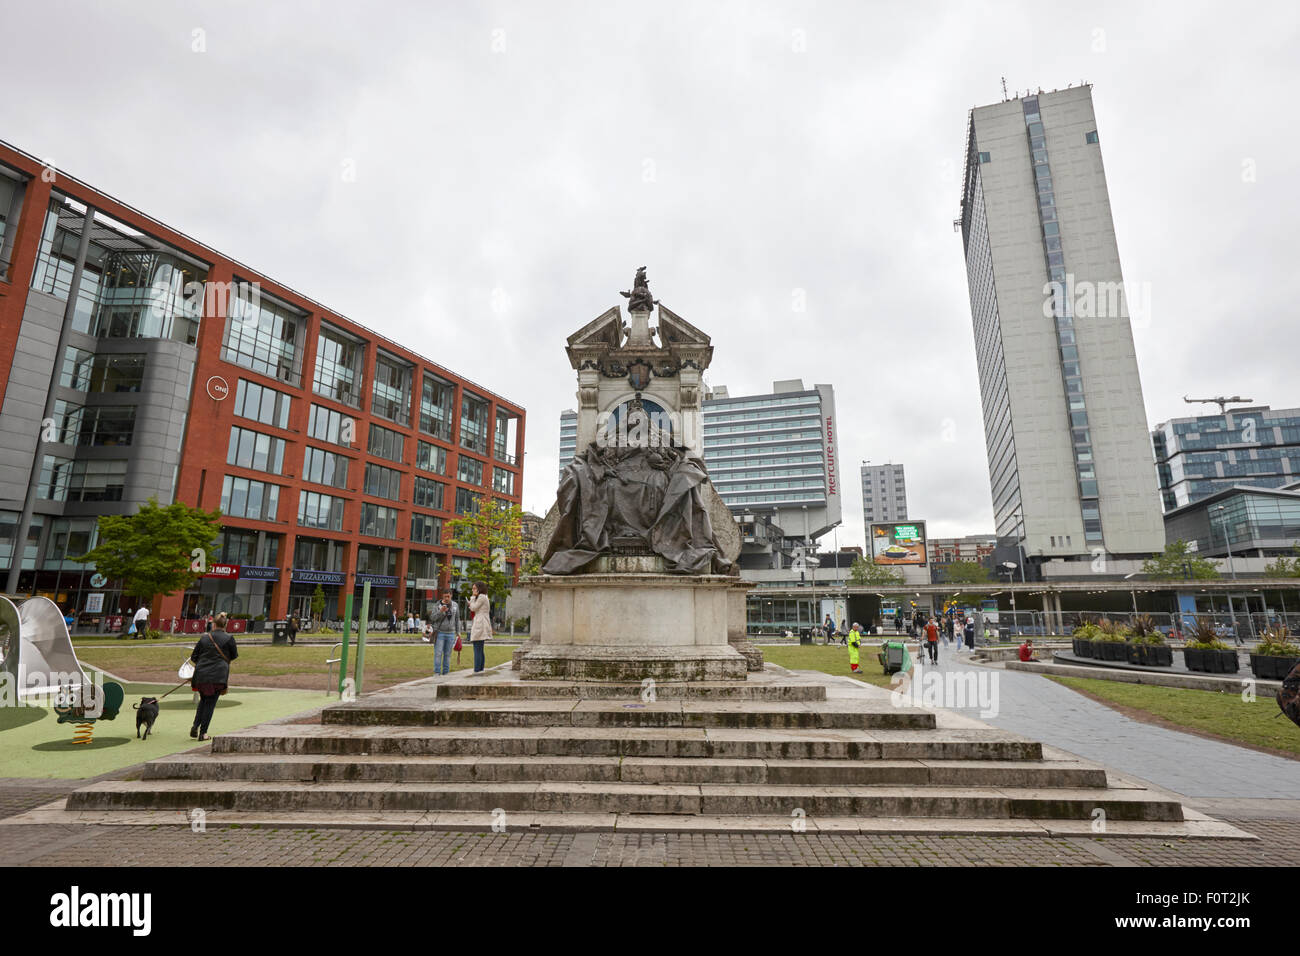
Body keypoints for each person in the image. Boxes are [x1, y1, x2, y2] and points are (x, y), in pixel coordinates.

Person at [189, 611, 238, 741]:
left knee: (203, 700)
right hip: (218, 676)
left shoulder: (204, 638)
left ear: (214, 624)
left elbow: (194, 657)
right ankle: (203, 733)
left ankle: (195, 725)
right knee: (210, 704)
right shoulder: (229, 638)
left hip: (201, 675)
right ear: (225, 625)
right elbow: (233, 656)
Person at [428, 591, 459, 675]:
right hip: (440, 632)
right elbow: (433, 617)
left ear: (451, 596)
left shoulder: (455, 605)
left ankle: (446, 672)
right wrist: (440, 611)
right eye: (445, 596)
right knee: (438, 653)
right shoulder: (437, 605)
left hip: (451, 633)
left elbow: (457, 619)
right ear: (442, 596)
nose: (447, 598)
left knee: (448, 654)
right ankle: (437, 672)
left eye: (448, 596)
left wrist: (458, 632)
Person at [468, 581, 492, 674]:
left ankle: (477, 669)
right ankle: (480, 668)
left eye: (474, 588)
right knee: (479, 647)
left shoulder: (481, 597)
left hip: (480, 622)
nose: (472, 590)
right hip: (481, 621)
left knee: (477, 647)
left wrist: (472, 598)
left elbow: (473, 607)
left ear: (479, 589)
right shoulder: (483, 597)